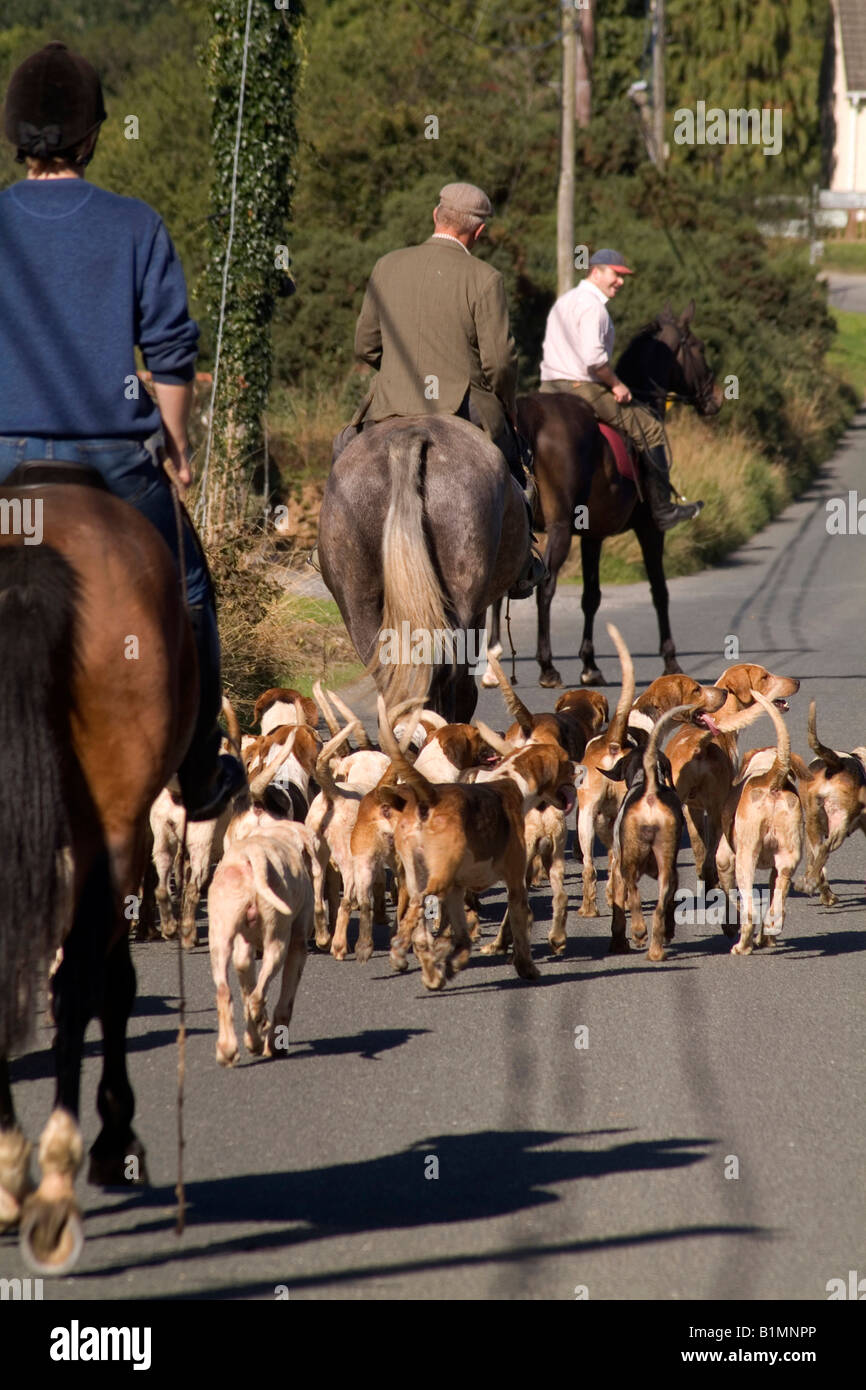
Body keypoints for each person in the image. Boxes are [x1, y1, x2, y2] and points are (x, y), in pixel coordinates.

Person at [0, 40, 243, 819]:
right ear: (93, 135)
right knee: (192, 592)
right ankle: (201, 771)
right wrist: (175, 448)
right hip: (110, 463)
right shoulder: (134, 224)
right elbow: (171, 350)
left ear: (15, 138)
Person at [335, 181, 545, 598]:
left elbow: (364, 345)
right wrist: (508, 407)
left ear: (436, 216)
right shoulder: (485, 278)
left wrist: (397, 372)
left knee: (345, 448)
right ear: (479, 232)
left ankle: (328, 550)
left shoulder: (387, 265)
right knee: (515, 466)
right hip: (465, 407)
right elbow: (499, 362)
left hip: (388, 403)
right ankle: (522, 562)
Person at [539, 248, 703, 530]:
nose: (621, 282)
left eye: (623, 276)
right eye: (616, 275)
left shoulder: (564, 302)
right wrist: (617, 385)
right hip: (580, 387)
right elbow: (594, 360)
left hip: (547, 387)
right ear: (596, 271)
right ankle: (663, 510)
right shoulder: (594, 308)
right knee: (650, 427)